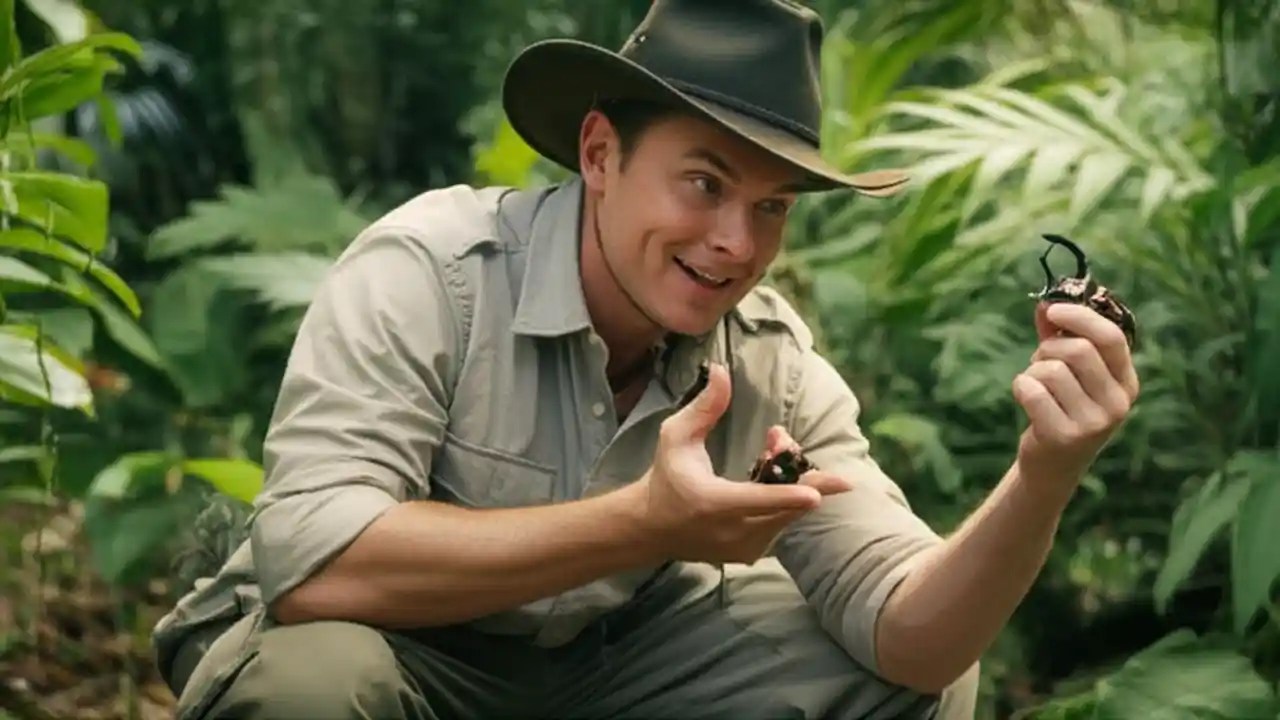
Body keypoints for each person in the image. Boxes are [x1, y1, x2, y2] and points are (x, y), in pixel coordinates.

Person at [154, 1, 1141, 718]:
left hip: (601, 672)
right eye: (703, 183)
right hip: (401, 664)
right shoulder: (428, 277)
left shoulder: (768, 365)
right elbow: (312, 570)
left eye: (768, 208)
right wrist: (642, 523)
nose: (734, 243)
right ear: (597, 154)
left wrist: (1040, 474)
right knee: (310, 686)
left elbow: (913, 637)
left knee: (887, 677)